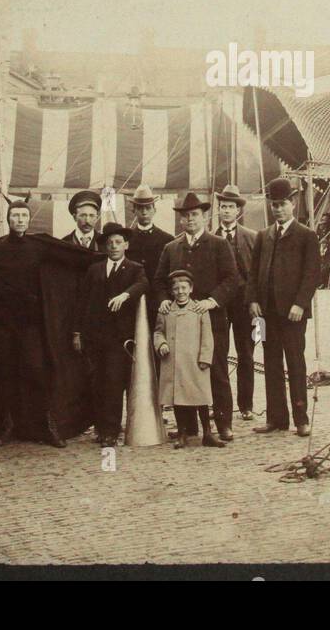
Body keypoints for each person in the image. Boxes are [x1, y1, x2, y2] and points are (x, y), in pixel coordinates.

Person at [0, 198, 64, 447]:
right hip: (2, 324)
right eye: (15, 216)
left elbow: (69, 255)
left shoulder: (38, 246)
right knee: (5, 374)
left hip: (30, 324)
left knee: (37, 371)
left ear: (29, 219)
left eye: (24, 216)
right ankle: (6, 424)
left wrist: (101, 258)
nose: (20, 220)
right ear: (8, 218)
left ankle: (44, 424)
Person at [154, 192, 239, 440]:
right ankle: (188, 427)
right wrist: (164, 302)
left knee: (217, 370)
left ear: (204, 216)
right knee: (185, 372)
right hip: (181, 325)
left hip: (212, 320)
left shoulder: (219, 244)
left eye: (194, 215)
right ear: (181, 220)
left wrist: (212, 301)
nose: (190, 220)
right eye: (186, 216)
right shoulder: (171, 248)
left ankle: (223, 423)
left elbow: (232, 279)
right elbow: (158, 281)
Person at [248, 177, 320, 438]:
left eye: (282, 204)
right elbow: (253, 273)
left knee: (295, 363)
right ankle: (276, 419)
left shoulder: (306, 236)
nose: (277, 209)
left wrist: (301, 304)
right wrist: (253, 300)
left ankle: (301, 419)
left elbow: (312, 274)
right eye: (274, 205)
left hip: (292, 314)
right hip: (266, 314)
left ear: (293, 203)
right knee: (271, 363)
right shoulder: (263, 236)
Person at [73, 221, 148, 446]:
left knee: (114, 383)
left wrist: (125, 295)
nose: (114, 246)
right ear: (105, 246)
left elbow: (144, 285)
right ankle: (100, 427)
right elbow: (82, 302)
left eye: (118, 242)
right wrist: (77, 333)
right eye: (110, 243)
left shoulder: (135, 269)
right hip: (95, 337)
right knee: (97, 382)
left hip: (119, 339)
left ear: (126, 244)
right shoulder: (95, 269)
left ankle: (111, 431)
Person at [154, 269, 221, 449]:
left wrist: (205, 358)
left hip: (195, 363)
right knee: (179, 400)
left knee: (201, 398)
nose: (180, 292)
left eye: (184, 288)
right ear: (172, 291)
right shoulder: (166, 310)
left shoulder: (199, 309)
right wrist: (161, 344)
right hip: (174, 362)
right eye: (176, 289)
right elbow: (158, 331)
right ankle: (183, 433)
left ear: (191, 289)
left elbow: (207, 336)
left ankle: (207, 433)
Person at [215, 184, 259, 421]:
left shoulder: (252, 238)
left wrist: (254, 302)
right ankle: (220, 405)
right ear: (218, 210)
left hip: (244, 304)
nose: (226, 211)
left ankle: (246, 405)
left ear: (238, 211)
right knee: (218, 354)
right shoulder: (211, 238)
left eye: (231, 207)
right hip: (220, 304)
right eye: (223, 207)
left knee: (246, 354)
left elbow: (256, 274)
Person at [125, 184, 173, 324]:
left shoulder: (167, 239)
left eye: (148, 208)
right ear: (134, 210)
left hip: (157, 301)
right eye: (140, 208)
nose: (144, 212)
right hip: (132, 300)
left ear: (154, 210)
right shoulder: (126, 239)